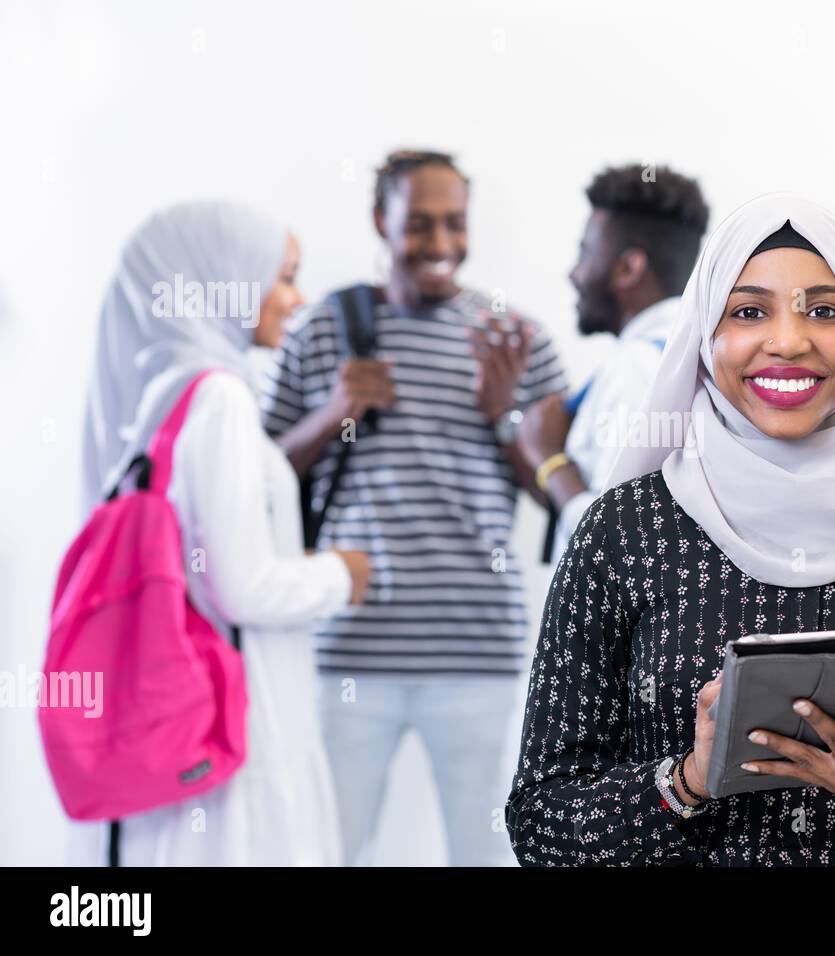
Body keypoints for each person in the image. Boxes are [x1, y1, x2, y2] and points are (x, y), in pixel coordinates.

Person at [505, 193, 835, 866]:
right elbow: (540, 822)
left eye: (824, 310)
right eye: (749, 311)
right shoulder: (625, 533)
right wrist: (687, 781)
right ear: (705, 331)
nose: (787, 341)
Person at [261, 149, 567, 866]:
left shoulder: (514, 340)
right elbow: (259, 480)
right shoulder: (321, 330)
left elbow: (562, 497)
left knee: (484, 851)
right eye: (419, 224)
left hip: (479, 647)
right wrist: (336, 410)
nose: (440, 245)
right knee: (327, 848)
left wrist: (502, 417)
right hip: (348, 648)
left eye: (455, 224)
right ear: (381, 221)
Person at [75, 200, 370, 865]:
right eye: (284, 276)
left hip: (181, 718)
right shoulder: (220, 401)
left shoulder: (161, 393)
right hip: (243, 716)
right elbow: (243, 587)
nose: (296, 300)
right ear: (223, 276)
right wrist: (338, 574)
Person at [517, 164, 708, 554]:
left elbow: (620, 545)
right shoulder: (696, 357)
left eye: (585, 252)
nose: (575, 273)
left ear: (628, 268)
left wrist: (549, 458)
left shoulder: (636, 367)